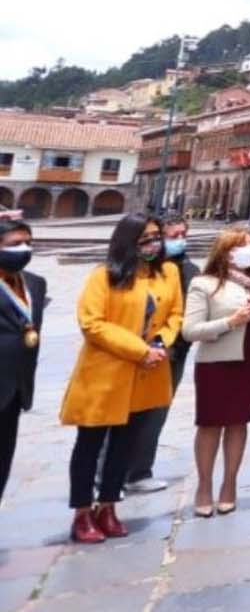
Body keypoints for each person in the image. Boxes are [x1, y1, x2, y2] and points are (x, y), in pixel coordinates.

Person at [59, 212, 181, 542]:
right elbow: (92, 324)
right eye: (145, 239)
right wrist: (140, 350)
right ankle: (82, 513)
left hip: (147, 372)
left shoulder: (168, 273)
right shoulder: (105, 276)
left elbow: (175, 315)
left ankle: (108, 506)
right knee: (90, 445)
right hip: (107, 373)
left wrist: (160, 344)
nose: (154, 244)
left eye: (157, 237)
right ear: (128, 242)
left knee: (125, 445)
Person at [181, 226, 250, 517]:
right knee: (210, 424)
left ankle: (229, 484)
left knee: (239, 422)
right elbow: (190, 331)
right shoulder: (205, 284)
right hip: (216, 363)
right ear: (225, 253)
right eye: (242, 246)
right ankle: (203, 487)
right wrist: (230, 322)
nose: (249, 250)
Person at [123, 214, 197, 494]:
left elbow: (184, 313)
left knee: (155, 415)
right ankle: (107, 472)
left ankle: (139, 471)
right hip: (132, 352)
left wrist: (167, 344)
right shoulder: (131, 270)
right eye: (172, 235)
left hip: (170, 353)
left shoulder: (187, 271)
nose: (179, 240)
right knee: (122, 412)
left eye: (182, 235)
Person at [1, 218, 47, 504]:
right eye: (14, 244)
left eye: (28, 243)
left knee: (3, 458)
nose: (23, 249)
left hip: (15, 389)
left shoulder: (35, 284)